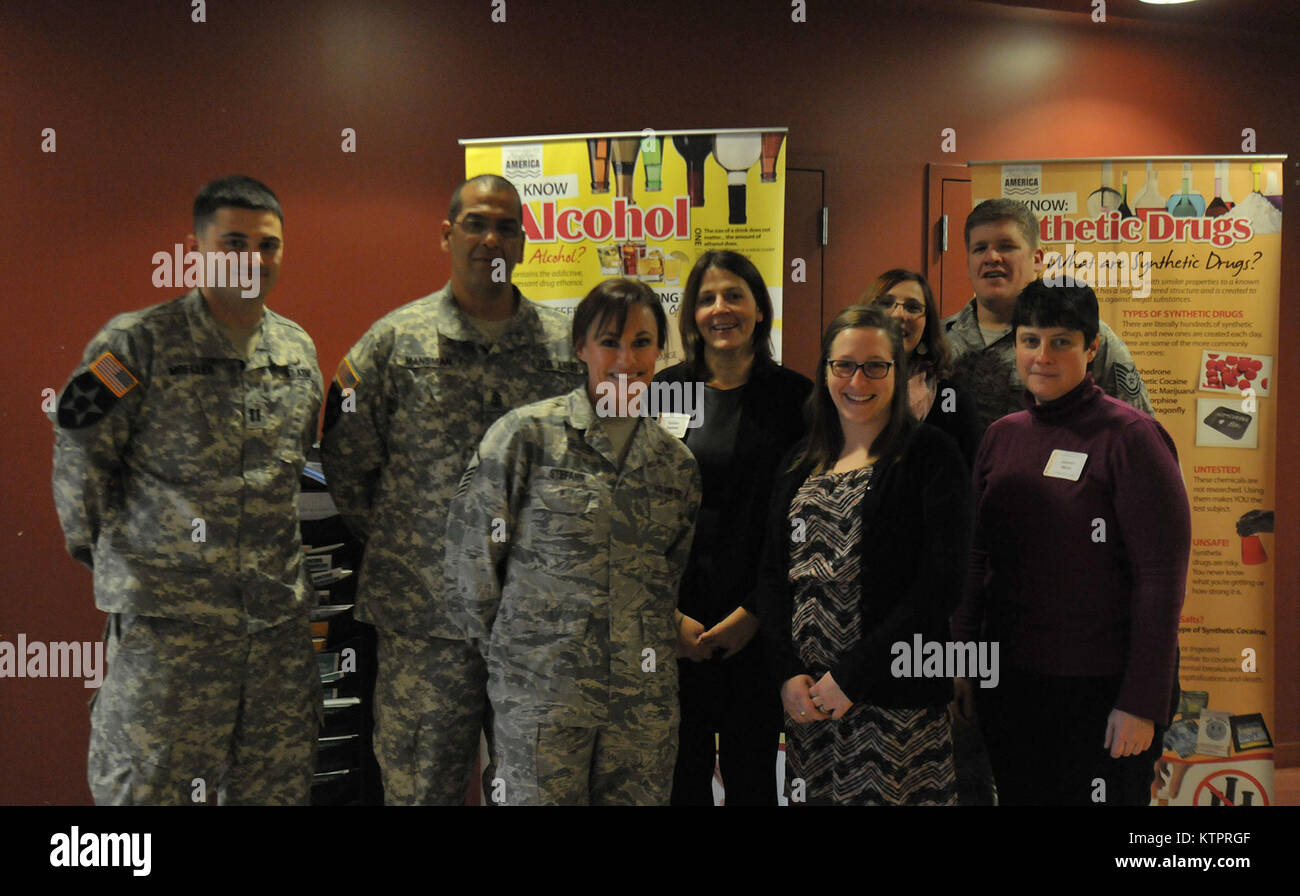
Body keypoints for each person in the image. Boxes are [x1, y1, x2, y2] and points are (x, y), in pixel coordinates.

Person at [51, 175, 322, 805]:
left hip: (274, 634)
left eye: (267, 245)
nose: (252, 260)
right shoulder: (132, 347)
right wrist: (117, 564)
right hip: (170, 636)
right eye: (233, 243)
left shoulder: (297, 350)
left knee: (276, 793)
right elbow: (79, 457)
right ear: (196, 248)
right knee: (144, 800)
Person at [319, 174, 585, 805]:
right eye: (476, 223)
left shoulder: (566, 352)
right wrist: (413, 540)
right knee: (420, 789)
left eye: (506, 227)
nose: (490, 239)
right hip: (424, 620)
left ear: (523, 242)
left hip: (535, 619)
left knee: (539, 791)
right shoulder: (391, 345)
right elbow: (349, 466)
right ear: (446, 234)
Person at [446, 278, 701, 805]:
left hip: (640, 709)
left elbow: (666, 584)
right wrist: (518, 661)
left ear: (661, 350)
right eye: (609, 341)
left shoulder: (676, 466)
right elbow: (472, 563)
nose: (626, 359)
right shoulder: (525, 438)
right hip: (543, 700)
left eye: (642, 342)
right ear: (580, 348)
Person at [951, 281, 1190, 806]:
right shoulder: (1003, 436)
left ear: (1092, 348)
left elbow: (1161, 579)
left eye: (1062, 341)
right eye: (1030, 340)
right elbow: (977, 558)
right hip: (1012, 682)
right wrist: (964, 659)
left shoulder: (1131, 437)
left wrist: (1142, 702)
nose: (1042, 356)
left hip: (1102, 690)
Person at [753, 304, 971, 805]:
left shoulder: (930, 455)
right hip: (811, 707)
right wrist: (788, 675)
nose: (858, 379)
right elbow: (771, 577)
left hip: (894, 699)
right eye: (844, 365)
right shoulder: (799, 460)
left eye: (875, 365)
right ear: (825, 371)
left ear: (897, 370)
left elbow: (940, 585)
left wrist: (852, 678)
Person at [653, 250, 811, 806]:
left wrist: (757, 613)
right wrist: (667, 617)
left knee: (752, 781)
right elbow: (641, 516)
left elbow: (806, 519)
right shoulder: (663, 391)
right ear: (691, 314)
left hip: (761, 617)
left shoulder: (798, 398)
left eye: (734, 295)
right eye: (706, 298)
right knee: (680, 780)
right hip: (676, 625)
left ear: (760, 310)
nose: (720, 308)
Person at [943, 198, 1152, 430]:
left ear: (1037, 259)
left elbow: (1138, 428)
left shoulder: (1081, 335)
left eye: (1006, 246)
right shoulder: (940, 341)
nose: (992, 257)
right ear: (968, 263)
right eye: (980, 248)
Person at [863, 268, 981, 467]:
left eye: (913, 307)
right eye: (885, 303)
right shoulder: (845, 391)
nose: (898, 314)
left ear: (927, 325)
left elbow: (971, 485)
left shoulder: (953, 402)